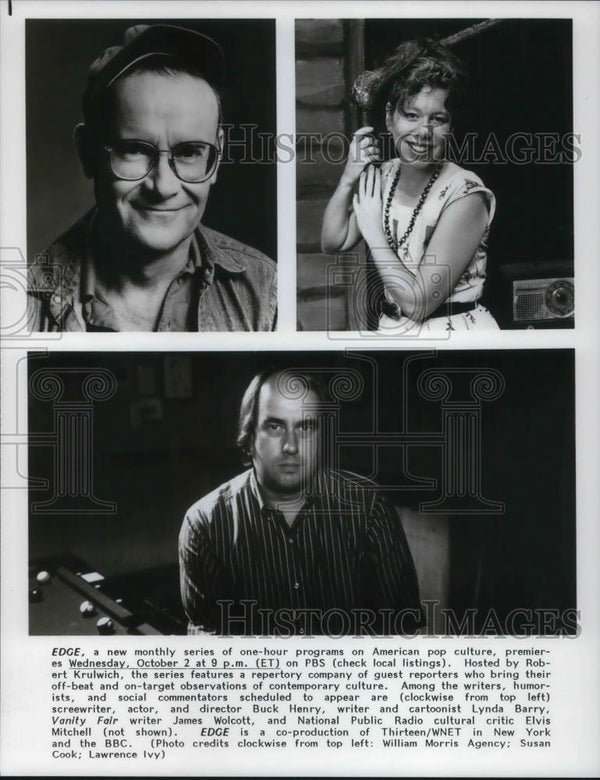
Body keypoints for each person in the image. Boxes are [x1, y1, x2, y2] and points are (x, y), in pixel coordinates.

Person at [28, 24, 277, 332]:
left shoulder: (269, 294)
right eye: (134, 150)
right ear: (87, 153)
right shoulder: (16, 305)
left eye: (189, 152)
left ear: (217, 157)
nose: (163, 186)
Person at [178, 368, 422, 635]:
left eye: (305, 427)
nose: (291, 446)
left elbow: (403, 628)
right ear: (249, 438)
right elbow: (207, 639)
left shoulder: (370, 508)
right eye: (275, 426)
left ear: (321, 438)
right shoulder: (204, 525)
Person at [321, 39, 499, 334]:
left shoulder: (466, 194)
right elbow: (333, 241)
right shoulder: (384, 176)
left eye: (437, 119)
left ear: (450, 128)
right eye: (411, 115)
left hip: (453, 337)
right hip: (393, 330)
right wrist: (349, 178)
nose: (423, 132)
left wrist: (373, 230)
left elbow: (418, 305)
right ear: (389, 118)